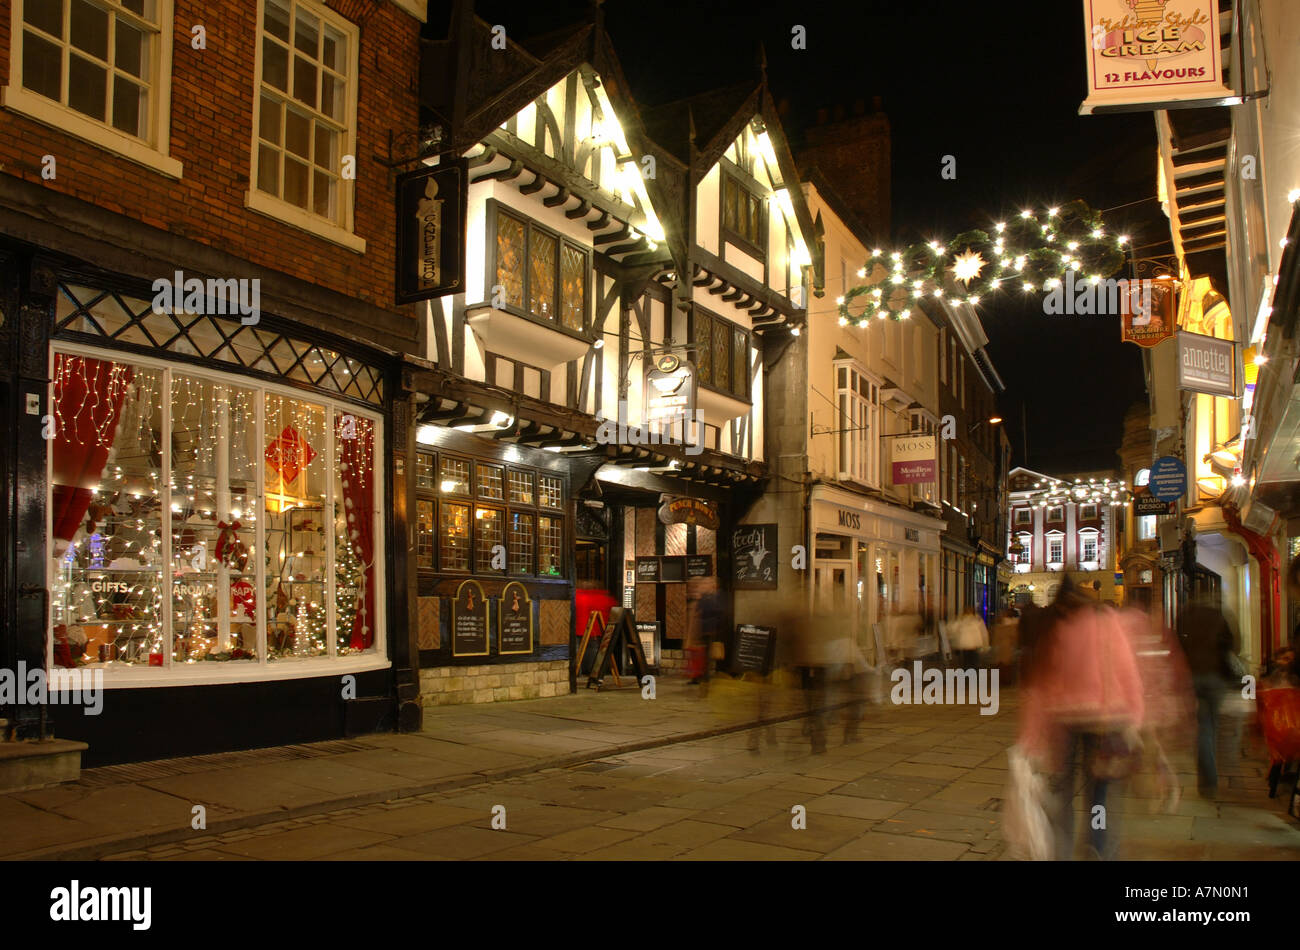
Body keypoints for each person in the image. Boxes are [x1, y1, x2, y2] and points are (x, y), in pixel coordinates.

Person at [1018, 578, 1145, 860]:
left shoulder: (1054, 627)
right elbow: (1127, 670)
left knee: (1061, 791)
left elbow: (1042, 684)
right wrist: (1134, 716)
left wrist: (1032, 734)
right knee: (1099, 793)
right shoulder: (1104, 619)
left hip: (1063, 718)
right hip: (1104, 717)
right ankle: (1096, 843)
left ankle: (1060, 849)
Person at [1176, 597, 1240, 796]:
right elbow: (1234, 645)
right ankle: (1209, 779)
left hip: (1193, 676)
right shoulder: (1220, 616)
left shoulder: (1186, 616)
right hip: (1215, 677)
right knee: (1210, 725)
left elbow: (1178, 645)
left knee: (1203, 726)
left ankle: (1206, 778)